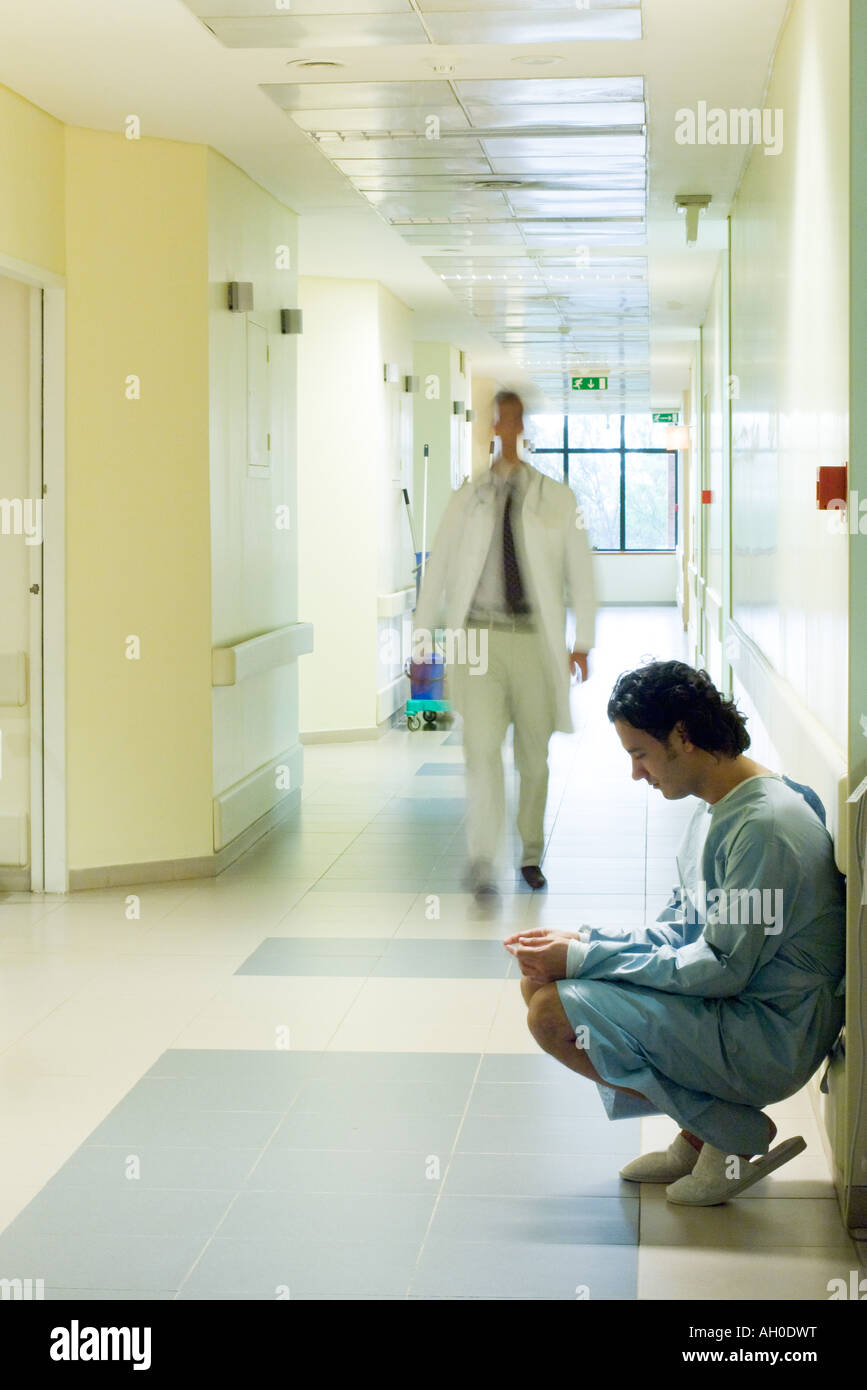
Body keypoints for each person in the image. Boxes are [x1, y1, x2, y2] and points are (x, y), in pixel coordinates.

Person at [504, 661, 846, 1205]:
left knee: (553, 1014)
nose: (637, 773)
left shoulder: (766, 828)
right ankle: (701, 1129)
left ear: (682, 737)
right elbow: (679, 930)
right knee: (538, 987)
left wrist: (584, 960)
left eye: (640, 753)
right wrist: (580, 945)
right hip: (738, 1007)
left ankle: (730, 1133)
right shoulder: (719, 809)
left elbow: (721, 969)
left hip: (772, 1036)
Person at [411, 389, 596, 900]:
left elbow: (581, 570)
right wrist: (422, 638)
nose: (507, 427)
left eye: (515, 419)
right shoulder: (465, 499)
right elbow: (439, 570)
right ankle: (483, 859)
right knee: (481, 751)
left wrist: (583, 639)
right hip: (479, 640)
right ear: (491, 427)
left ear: (523, 427)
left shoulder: (556, 498)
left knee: (534, 758)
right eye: (500, 419)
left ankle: (530, 853)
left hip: (534, 640)